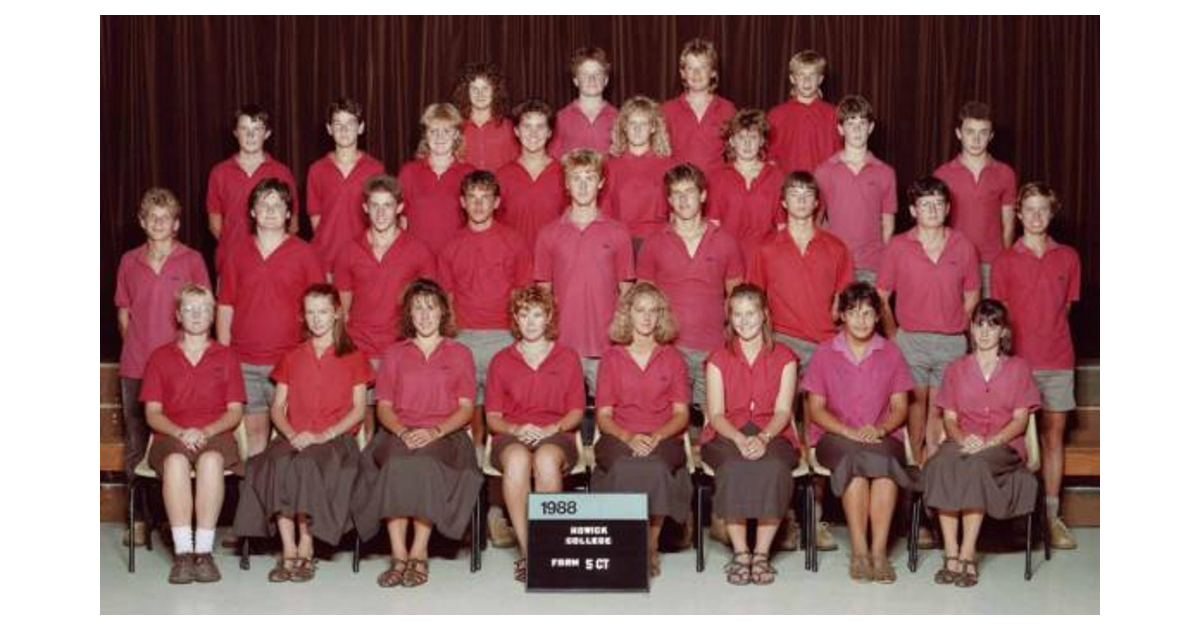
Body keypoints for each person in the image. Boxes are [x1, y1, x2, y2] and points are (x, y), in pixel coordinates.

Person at [233, 284, 373, 583]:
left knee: (307, 465)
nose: (316, 319)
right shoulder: (293, 356)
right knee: (274, 463)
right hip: (295, 436)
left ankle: (307, 548)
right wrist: (292, 434)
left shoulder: (354, 356)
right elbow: (277, 407)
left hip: (336, 440)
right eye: (310, 312)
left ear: (337, 313)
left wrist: (325, 435)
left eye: (323, 312)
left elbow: (359, 409)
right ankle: (289, 550)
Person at [748, 171, 854, 552]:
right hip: (784, 345)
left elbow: (845, 306)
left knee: (819, 433)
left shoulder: (836, 248)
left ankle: (819, 517)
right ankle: (788, 515)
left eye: (807, 195)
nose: (800, 201)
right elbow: (754, 303)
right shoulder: (766, 247)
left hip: (825, 346)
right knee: (783, 432)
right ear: (783, 202)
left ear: (816, 203)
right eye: (793, 195)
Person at [354, 279, 484, 588]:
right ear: (408, 316)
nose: (424, 316)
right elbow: (383, 407)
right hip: (398, 433)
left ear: (442, 312)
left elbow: (466, 409)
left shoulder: (460, 353)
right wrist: (402, 431)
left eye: (431, 308)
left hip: (446, 435)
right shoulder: (395, 354)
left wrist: (435, 431)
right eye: (417, 309)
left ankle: (418, 553)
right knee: (397, 465)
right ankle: (398, 556)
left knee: (424, 465)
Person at [801, 282, 916, 583]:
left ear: (878, 316)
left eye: (868, 313)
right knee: (854, 461)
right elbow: (816, 409)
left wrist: (881, 429)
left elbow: (901, 408)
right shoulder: (825, 353)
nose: (861, 320)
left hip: (881, 436)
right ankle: (859, 551)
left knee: (884, 467)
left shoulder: (891, 353)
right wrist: (849, 432)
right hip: (835, 438)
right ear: (842, 315)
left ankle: (879, 554)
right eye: (853, 313)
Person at [924, 299, 1041, 588]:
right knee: (940, 463)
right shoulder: (955, 369)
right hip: (963, 439)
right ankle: (950, 555)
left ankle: (967, 555)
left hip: (1003, 444)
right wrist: (965, 439)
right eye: (979, 324)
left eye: (993, 325)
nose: (985, 332)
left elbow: (1019, 421)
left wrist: (988, 442)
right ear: (971, 329)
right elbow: (949, 419)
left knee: (975, 466)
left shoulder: (1018, 368)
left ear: (1003, 331)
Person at [990, 182, 1082, 550]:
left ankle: (1052, 516)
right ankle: (1016, 516)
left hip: (1058, 360)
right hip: (1018, 366)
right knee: (1016, 441)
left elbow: (1067, 308)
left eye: (1043, 209)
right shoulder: (1004, 261)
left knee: (1053, 438)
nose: (1036, 216)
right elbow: (998, 320)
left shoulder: (1069, 257)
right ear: (1019, 213)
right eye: (1029, 209)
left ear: (1052, 212)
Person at [140, 284, 244, 584]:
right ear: (177, 315)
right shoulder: (160, 357)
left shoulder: (226, 357)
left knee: (211, 460)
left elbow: (234, 412)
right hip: (171, 435)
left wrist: (206, 430)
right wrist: (180, 431)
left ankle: (204, 552)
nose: (196, 315)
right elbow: (152, 413)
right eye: (189, 308)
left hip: (216, 434)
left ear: (213, 315)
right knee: (176, 463)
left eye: (203, 309)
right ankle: (183, 554)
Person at [700, 284, 801, 586]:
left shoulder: (786, 358)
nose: (744, 321)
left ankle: (761, 554)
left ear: (765, 315)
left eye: (751, 313)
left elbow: (783, 411)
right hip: (727, 433)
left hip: (773, 432)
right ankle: (741, 552)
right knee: (734, 467)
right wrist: (742, 439)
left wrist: (763, 438)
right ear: (729, 319)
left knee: (773, 468)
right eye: (737, 314)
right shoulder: (718, 358)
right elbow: (716, 414)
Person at [484, 285, 586, 582]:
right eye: (523, 314)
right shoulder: (501, 360)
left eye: (537, 314)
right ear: (515, 319)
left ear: (549, 317)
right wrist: (516, 429)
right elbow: (492, 417)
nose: (530, 322)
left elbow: (576, 411)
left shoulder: (567, 357)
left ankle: (549, 544)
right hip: (512, 434)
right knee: (517, 461)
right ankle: (531, 553)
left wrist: (551, 429)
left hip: (556, 433)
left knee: (544, 460)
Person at [115, 188, 211, 503]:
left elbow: (204, 309)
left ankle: (174, 517)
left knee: (176, 440)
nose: (158, 223)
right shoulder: (129, 261)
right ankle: (139, 516)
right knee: (136, 440)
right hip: (137, 365)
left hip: (179, 367)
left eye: (165, 217)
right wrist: (136, 347)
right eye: (152, 217)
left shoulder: (192, 259)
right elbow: (123, 313)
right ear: (142, 222)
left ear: (176, 224)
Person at [217, 178, 324, 456]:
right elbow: (226, 305)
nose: (271, 210)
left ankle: (284, 499)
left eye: (278, 205)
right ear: (252, 211)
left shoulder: (305, 253)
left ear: (289, 213)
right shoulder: (236, 252)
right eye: (264, 204)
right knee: (254, 440)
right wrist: (225, 355)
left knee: (291, 442)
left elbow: (320, 310)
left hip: (289, 361)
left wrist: (314, 357)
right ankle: (256, 497)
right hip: (245, 363)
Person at [592, 282, 693, 578]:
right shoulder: (611, 358)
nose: (647, 318)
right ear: (628, 314)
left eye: (654, 311)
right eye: (640, 310)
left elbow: (681, 414)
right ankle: (626, 542)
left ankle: (649, 545)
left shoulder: (673, 358)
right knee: (626, 465)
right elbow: (604, 416)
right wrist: (628, 437)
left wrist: (656, 436)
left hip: (663, 435)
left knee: (655, 466)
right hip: (619, 435)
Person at [878, 176, 981, 463]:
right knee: (914, 409)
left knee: (941, 411)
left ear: (948, 208)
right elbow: (881, 296)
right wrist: (894, 336)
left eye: (938, 204)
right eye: (925, 205)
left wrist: (962, 331)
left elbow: (972, 296)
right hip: (911, 340)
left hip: (951, 342)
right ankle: (916, 469)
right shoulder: (899, 246)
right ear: (913, 211)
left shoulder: (963, 246)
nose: (933, 210)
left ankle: (933, 473)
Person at [637, 163, 744, 419]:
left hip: (714, 348)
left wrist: (729, 344)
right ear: (669, 200)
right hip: (669, 349)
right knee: (667, 421)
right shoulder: (654, 243)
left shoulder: (725, 241)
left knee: (713, 423)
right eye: (676, 193)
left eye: (690, 192)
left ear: (703, 195)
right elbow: (643, 301)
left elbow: (737, 300)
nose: (684, 199)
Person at [333, 174, 435, 436]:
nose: (381, 213)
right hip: (361, 348)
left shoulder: (419, 250)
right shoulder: (348, 251)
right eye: (375, 205)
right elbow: (342, 310)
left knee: (399, 421)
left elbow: (430, 308)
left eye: (387, 205)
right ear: (365, 208)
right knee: (362, 422)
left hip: (401, 347)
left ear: (399, 207)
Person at [439, 170, 534, 447]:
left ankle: (501, 459)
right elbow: (447, 295)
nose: (479, 204)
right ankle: (475, 456)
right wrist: (454, 335)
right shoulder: (450, 245)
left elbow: (522, 292)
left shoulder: (513, 241)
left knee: (502, 404)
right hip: (464, 336)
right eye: (472, 197)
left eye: (485, 198)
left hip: (503, 335)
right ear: (462, 202)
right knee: (470, 405)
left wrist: (517, 335)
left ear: (496, 203)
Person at [533, 148, 635, 401]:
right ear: (566, 184)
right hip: (563, 343)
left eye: (589, 177)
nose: (582, 185)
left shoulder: (618, 233)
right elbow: (542, 294)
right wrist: (546, 339)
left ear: (600, 183)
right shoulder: (548, 234)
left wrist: (621, 336)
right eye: (576, 177)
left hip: (607, 343)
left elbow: (627, 293)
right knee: (561, 414)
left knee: (609, 415)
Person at [933, 102, 1018, 296]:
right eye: (970, 131)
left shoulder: (1005, 174)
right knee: (957, 323)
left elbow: (1009, 225)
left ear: (991, 135)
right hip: (954, 260)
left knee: (990, 324)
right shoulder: (942, 174)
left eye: (983, 132)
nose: (976, 139)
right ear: (958, 133)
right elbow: (935, 224)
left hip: (992, 263)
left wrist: (1005, 262)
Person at [814, 95, 898, 284]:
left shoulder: (885, 172)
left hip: (872, 266)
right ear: (840, 129)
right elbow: (816, 221)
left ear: (871, 128)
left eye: (862, 123)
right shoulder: (824, 171)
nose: (857, 129)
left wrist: (883, 263)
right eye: (851, 123)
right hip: (834, 263)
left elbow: (888, 227)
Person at [206, 104, 297, 273]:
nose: (250, 135)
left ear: (267, 133)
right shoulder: (219, 172)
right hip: (230, 262)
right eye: (244, 128)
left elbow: (292, 222)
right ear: (235, 132)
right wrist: (237, 250)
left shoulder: (281, 172)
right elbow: (214, 222)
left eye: (257, 129)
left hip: (273, 262)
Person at [305, 97, 386, 275]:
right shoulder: (317, 169)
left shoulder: (375, 168)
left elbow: (381, 216)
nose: (344, 129)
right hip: (325, 261)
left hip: (363, 259)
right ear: (329, 129)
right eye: (337, 123)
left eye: (350, 123)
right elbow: (316, 221)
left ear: (361, 127)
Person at [707, 109, 786, 258]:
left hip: (766, 258)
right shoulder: (717, 177)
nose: (747, 143)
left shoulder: (776, 176)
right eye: (741, 137)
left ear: (762, 141)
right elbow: (713, 225)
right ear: (731, 141)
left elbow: (782, 226)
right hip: (729, 258)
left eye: (753, 137)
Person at [398, 103, 475, 255]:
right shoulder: (409, 172)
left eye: (446, 131)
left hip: (457, 259)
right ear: (426, 135)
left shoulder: (469, 174)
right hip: (417, 260)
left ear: (456, 135)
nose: (440, 137)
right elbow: (400, 222)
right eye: (433, 131)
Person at [496, 99, 569, 250]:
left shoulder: (564, 173)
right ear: (516, 131)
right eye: (527, 126)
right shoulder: (502, 176)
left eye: (540, 126)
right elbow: (496, 226)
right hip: (514, 263)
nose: (533, 133)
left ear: (549, 132)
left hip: (554, 262)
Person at [604, 95, 674, 253]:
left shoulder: (669, 166)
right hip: (620, 244)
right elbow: (604, 213)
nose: (637, 129)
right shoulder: (610, 166)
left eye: (643, 123)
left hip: (659, 243)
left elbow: (676, 213)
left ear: (653, 128)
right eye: (632, 123)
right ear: (624, 127)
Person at [661, 38, 737, 176]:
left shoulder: (728, 109)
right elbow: (660, 154)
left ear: (713, 72)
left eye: (703, 67)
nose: (696, 73)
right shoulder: (667, 110)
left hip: (718, 189)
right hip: (680, 190)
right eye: (690, 68)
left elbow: (736, 154)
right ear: (682, 73)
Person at [766, 50, 841, 175]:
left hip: (824, 189)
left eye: (812, 75)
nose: (807, 81)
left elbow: (841, 155)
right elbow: (768, 157)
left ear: (820, 79)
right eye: (801, 75)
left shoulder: (834, 114)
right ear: (792, 78)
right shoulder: (776, 115)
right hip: (789, 189)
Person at [548, 46, 618, 158]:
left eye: (598, 74)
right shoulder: (561, 118)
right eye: (585, 74)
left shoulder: (619, 117)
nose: (592, 79)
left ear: (606, 80)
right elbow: (553, 160)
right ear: (575, 80)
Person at [454, 62, 520, 171]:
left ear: (495, 92)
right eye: (474, 89)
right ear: (466, 92)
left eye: (486, 88)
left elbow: (517, 166)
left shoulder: (509, 127)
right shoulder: (456, 126)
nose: (480, 94)